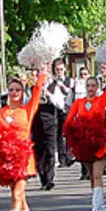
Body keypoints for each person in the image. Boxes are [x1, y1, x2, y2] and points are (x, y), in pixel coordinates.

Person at [0, 70, 48, 211]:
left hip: (23, 157)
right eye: (11, 89)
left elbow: (38, 90)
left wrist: (42, 71)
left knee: (17, 194)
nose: (14, 93)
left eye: (18, 90)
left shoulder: (27, 110)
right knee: (18, 197)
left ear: (23, 93)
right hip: (7, 159)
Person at [63, 67, 106, 211]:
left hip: (99, 142)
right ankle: (97, 206)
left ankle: (98, 209)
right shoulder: (78, 102)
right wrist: (68, 134)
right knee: (91, 176)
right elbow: (69, 120)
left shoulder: (101, 100)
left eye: (93, 86)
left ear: (97, 87)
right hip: (84, 143)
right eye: (88, 86)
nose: (90, 89)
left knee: (97, 175)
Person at [34, 59, 73, 190]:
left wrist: (48, 95)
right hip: (37, 121)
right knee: (39, 150)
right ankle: (43, 177)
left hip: (51, 120)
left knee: (50, 149)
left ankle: (50, 179)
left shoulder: (54, 86)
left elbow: (60, 104)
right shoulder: (33, 87)